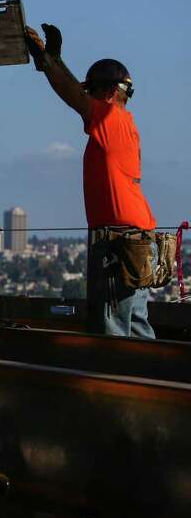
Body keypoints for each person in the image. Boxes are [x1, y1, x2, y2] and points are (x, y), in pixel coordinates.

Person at [26, 24, 158, 338]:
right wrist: (53, 60)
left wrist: (47, 61)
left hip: (118, 240)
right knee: (136, 326)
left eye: (92, 91)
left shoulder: (110, 119)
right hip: (137, 237)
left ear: (110, 93)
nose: (88, 98)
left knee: (110, 329)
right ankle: (154, 382)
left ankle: (114, 385)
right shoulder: (125, 125)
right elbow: (77, 92)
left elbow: (72, 95)